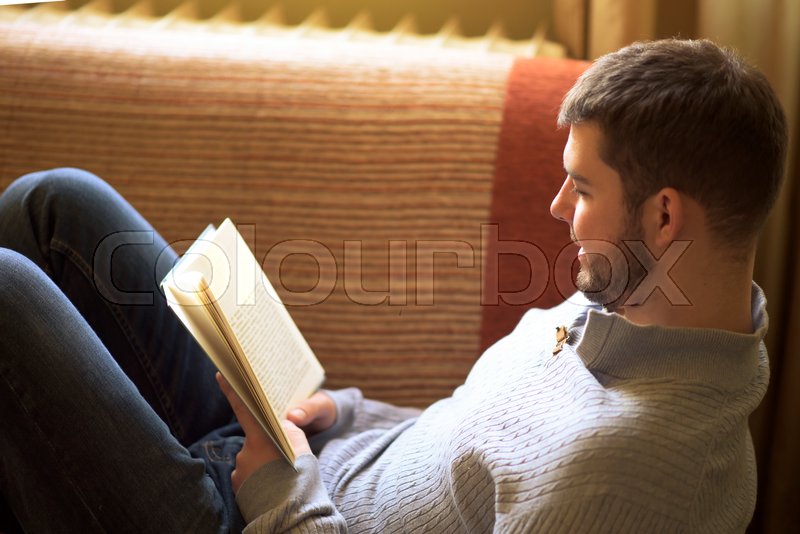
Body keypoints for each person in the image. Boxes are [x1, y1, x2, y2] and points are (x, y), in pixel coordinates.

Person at [0, 37, 787, 533]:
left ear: (663, 216)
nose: (556, 210)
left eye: (581, 190)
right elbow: (475, 438)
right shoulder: (629, 304)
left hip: (250, 515)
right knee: (56, 206)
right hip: (300, 462)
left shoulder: (628, 489)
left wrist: (279, 489)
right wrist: (342, 412)